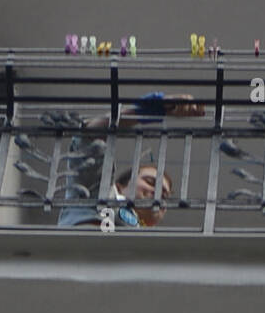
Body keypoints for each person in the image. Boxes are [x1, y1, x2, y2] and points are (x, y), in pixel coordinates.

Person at [56, 93, 199, 228]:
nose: (159, 194)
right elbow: (90, 139)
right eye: (150, 182)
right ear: (119, 187)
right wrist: (146, 111)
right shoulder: (99, 194)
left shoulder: (151, 246)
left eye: (165, 196)